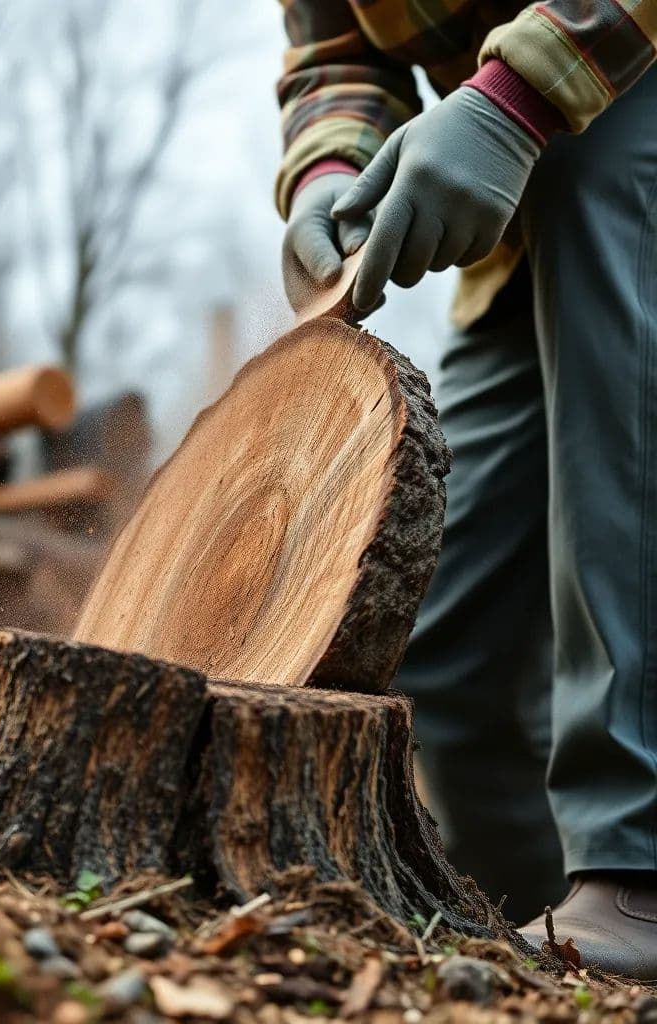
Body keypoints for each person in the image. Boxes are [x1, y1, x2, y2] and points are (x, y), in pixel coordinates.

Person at [277, 0, 657, 977]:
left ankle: (639, 872)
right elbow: (333, 52)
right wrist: (329, 170)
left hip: (613, 148)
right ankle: (553, 936)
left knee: (594, 169)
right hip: (529, 228)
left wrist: (515, 96)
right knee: (445, 650)